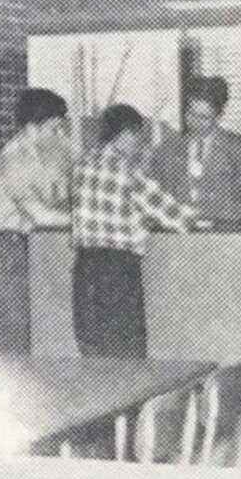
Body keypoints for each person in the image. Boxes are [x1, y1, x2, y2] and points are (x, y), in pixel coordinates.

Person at [71, 104, 196, 358]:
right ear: (126, 134)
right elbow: (177, 218)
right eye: (138, 136)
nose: (139, 144)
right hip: (118, 271)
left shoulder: (80, 167)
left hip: (84, 269)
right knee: (127, 353)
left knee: (93, 351)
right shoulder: (128, 173)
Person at [0, 88, 73, 353]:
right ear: (32, 128)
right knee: (10, 343)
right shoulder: (13, 159)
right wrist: (87, 219)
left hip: (34, 251)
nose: (60, 135)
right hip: (9, 254)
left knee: (34, 343)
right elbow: (40, 215)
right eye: (54, 129)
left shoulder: (44, 157)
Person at [151, 76, 241, 227]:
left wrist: (206, 217)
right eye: (190, 114)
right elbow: (155, 201)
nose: (195, 123)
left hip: (223, 243)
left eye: (204, 117)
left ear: (220, 115)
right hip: (178, 243)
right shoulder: (167, 150)